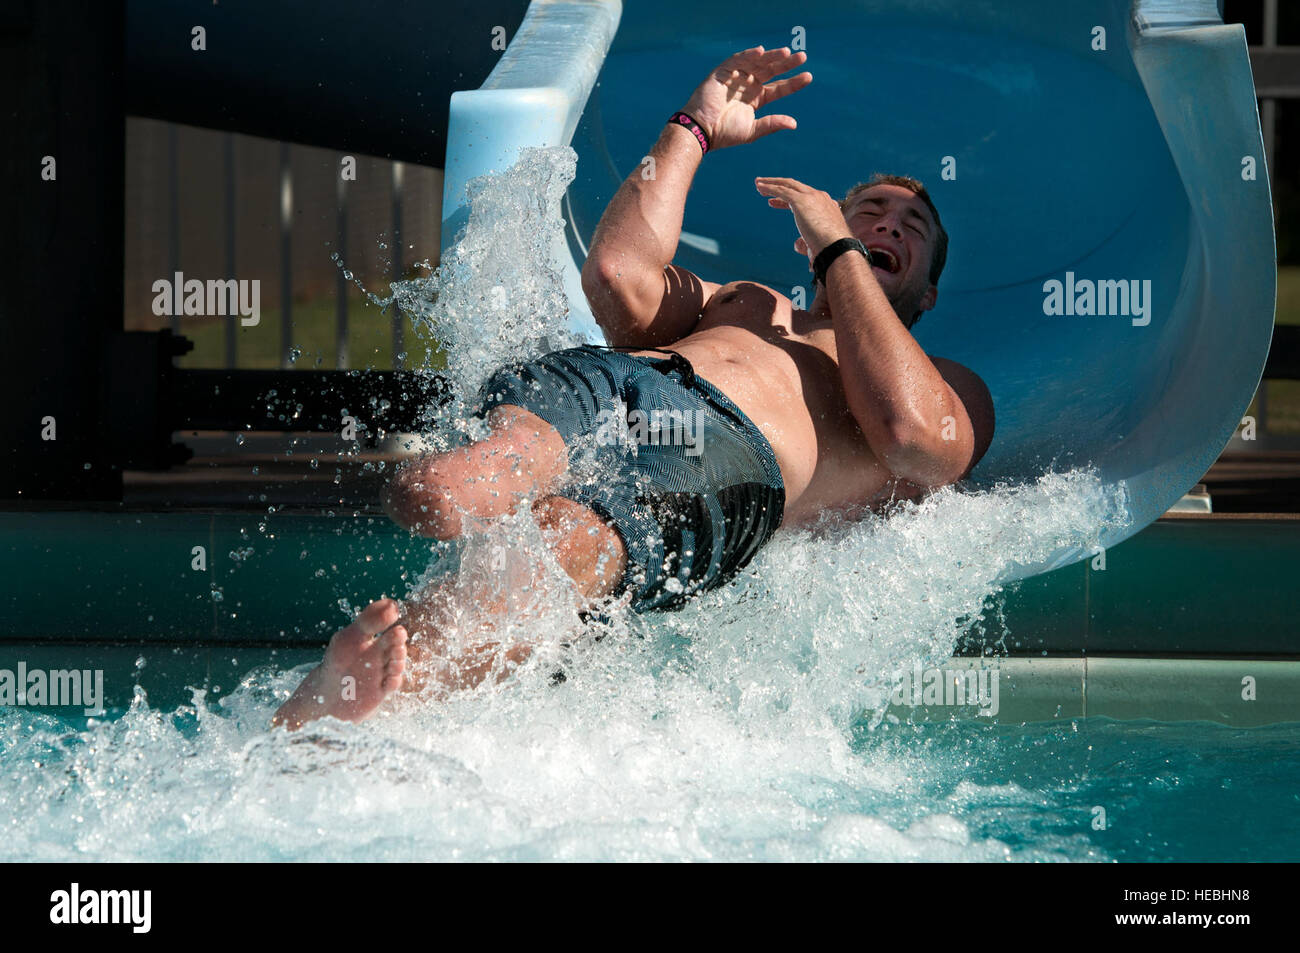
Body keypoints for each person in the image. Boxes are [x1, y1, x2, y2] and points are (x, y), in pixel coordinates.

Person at [272, 45, 994, 730]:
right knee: (446, 486)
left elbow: (910, 437)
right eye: (870, 209)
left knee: (571, 541)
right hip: (615, 378)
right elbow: (617, 275)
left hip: (723, 451)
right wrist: (694, 127)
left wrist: (841, 245)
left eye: (912, 226)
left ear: (928, 291)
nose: (885, 223)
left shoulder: (950, 385)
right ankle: (431, 536)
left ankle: (378, 686)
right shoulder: (745, 298)